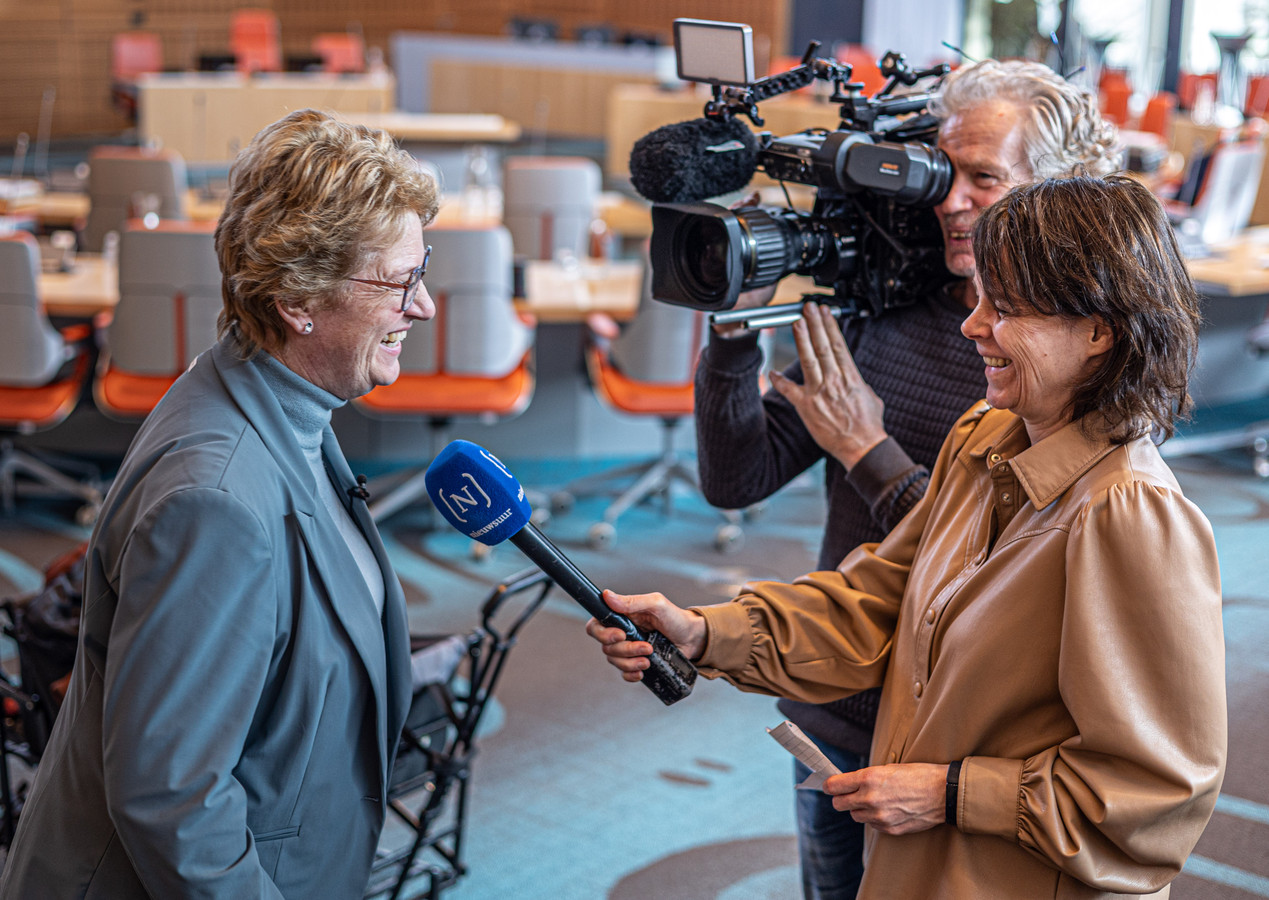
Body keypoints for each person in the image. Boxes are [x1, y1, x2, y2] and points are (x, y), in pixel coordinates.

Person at [590, 174, 1226, 898]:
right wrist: (706, 632)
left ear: (1098, 330)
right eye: (980, 297)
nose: (972, 324)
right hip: (914, 868)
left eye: (1006, 308)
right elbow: (879, 607)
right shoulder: (985, 437)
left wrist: (951, 794)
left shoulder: (1130, 515)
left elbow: (1156, 798)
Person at [692, 58, 1119, 898]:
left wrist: (867, 454)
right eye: (942, 170)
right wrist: (735, 332)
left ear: (1056, 189)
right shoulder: (885, 299)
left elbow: (1012, 563)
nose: (949, 201)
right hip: (839, 707)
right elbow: (736, 478)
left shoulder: (1057, 357)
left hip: (957, 752)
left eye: (982, 178)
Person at [0, 109, 439, 899]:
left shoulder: (271, 396)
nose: (426, 305)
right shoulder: (216, 501)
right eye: (401, 280)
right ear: (300, 301)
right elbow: (172, 797)